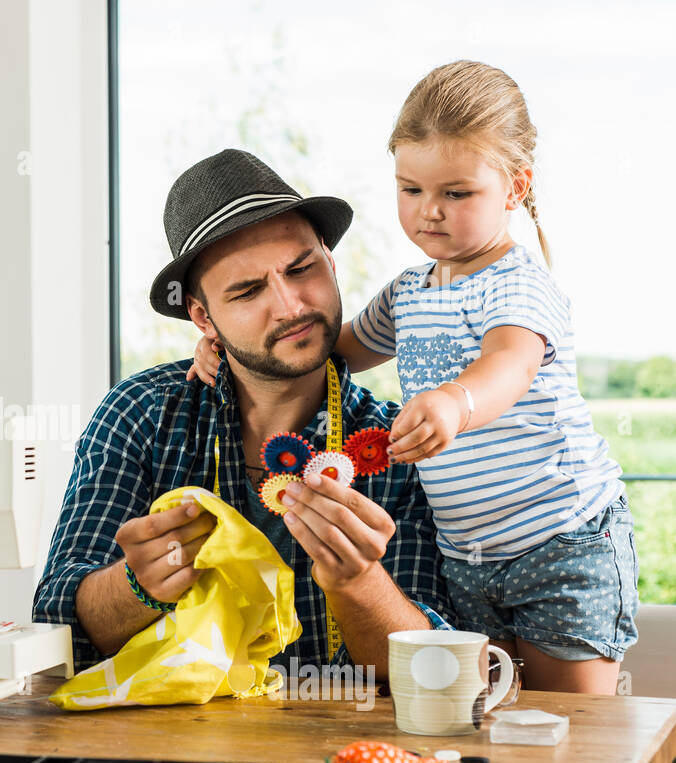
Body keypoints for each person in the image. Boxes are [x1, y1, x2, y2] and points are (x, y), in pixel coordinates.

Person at [189, 62, 637, 694]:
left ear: (515, 187)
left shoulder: (519, 281)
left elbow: (510, 361)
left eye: (457, 193)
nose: (430, 212)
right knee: (497, 709)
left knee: (573, 721)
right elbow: (325, 349)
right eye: (410, 189)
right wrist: (220, 348)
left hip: (559, 536)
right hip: (469, 554)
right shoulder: (408, 293)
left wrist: (456, 401)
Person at [33, 149, 457, 681]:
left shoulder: (397, 446)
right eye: (248, 291)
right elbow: (54, 622)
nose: (290, 305)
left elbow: (437, 673)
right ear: (202, 317)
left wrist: (358, 583)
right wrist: (138, 586)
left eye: (302, 269)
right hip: (179, 750)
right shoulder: (139, 415)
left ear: (330, 261)